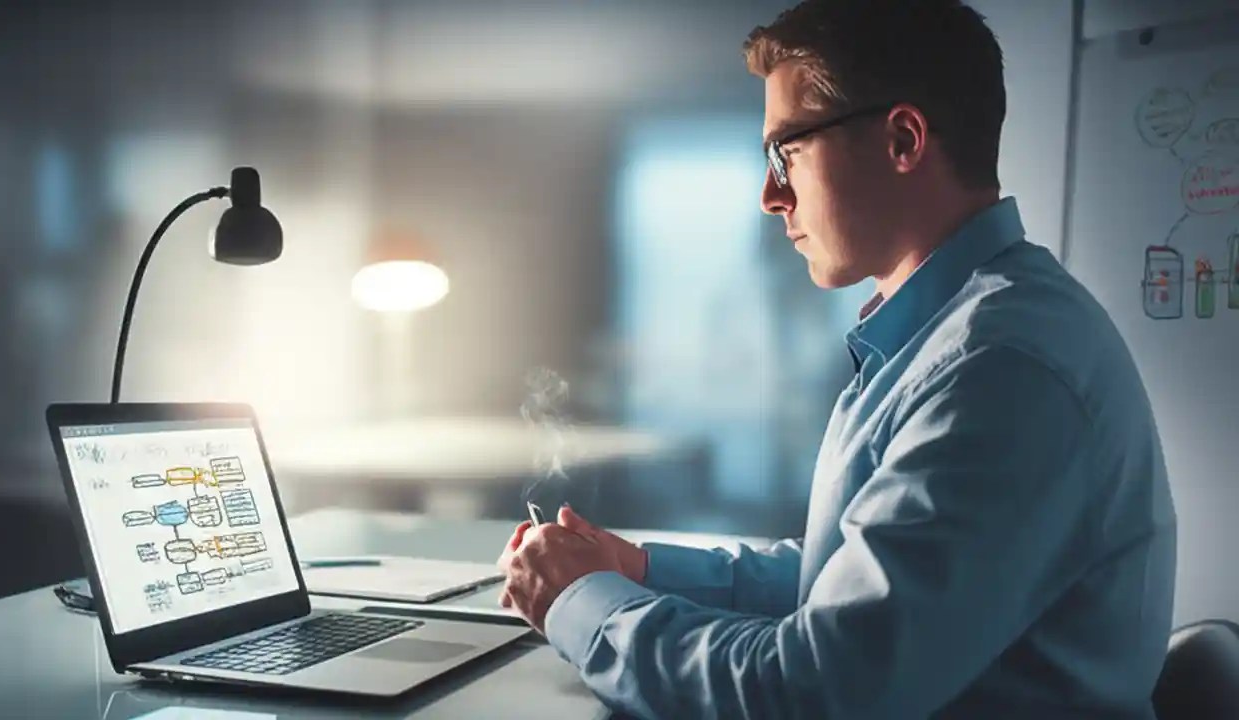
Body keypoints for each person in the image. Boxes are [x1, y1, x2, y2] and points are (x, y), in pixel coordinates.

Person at [496, 1, 1177, 717]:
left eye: (787, 151)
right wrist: (636, 569)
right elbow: (846, 577)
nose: (770, 196)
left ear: (903, 140)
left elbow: (812, 693)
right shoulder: (946, 336)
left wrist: (578, 603)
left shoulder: (998, 370)